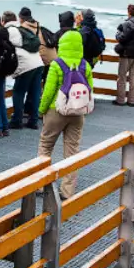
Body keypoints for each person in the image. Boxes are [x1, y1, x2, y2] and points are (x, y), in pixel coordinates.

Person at [38, 29, 94, 199]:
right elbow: (89, 89)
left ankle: (41, 185)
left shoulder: (57, 64)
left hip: (56, 111)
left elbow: (48, 92)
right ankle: (67, 191)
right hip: (77, 112)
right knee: (72, 150)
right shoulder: (85, 65)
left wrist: (41, 110)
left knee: (46, 146)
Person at [6, 10, 43, 130]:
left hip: (26, 65)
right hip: (38, 62)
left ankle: (17, 120)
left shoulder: (9, 31)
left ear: (3, 21)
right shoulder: (22, 29)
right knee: (35, 92)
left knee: (18, 92)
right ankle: (33, 121)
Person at [113, 5, 134, 107]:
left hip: (126, 54)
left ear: (129, 13)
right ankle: (132, 101)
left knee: (122, 77)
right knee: (133, 77)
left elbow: (122, 38)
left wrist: (118, 34)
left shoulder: (126, 24)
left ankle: (120, 100)